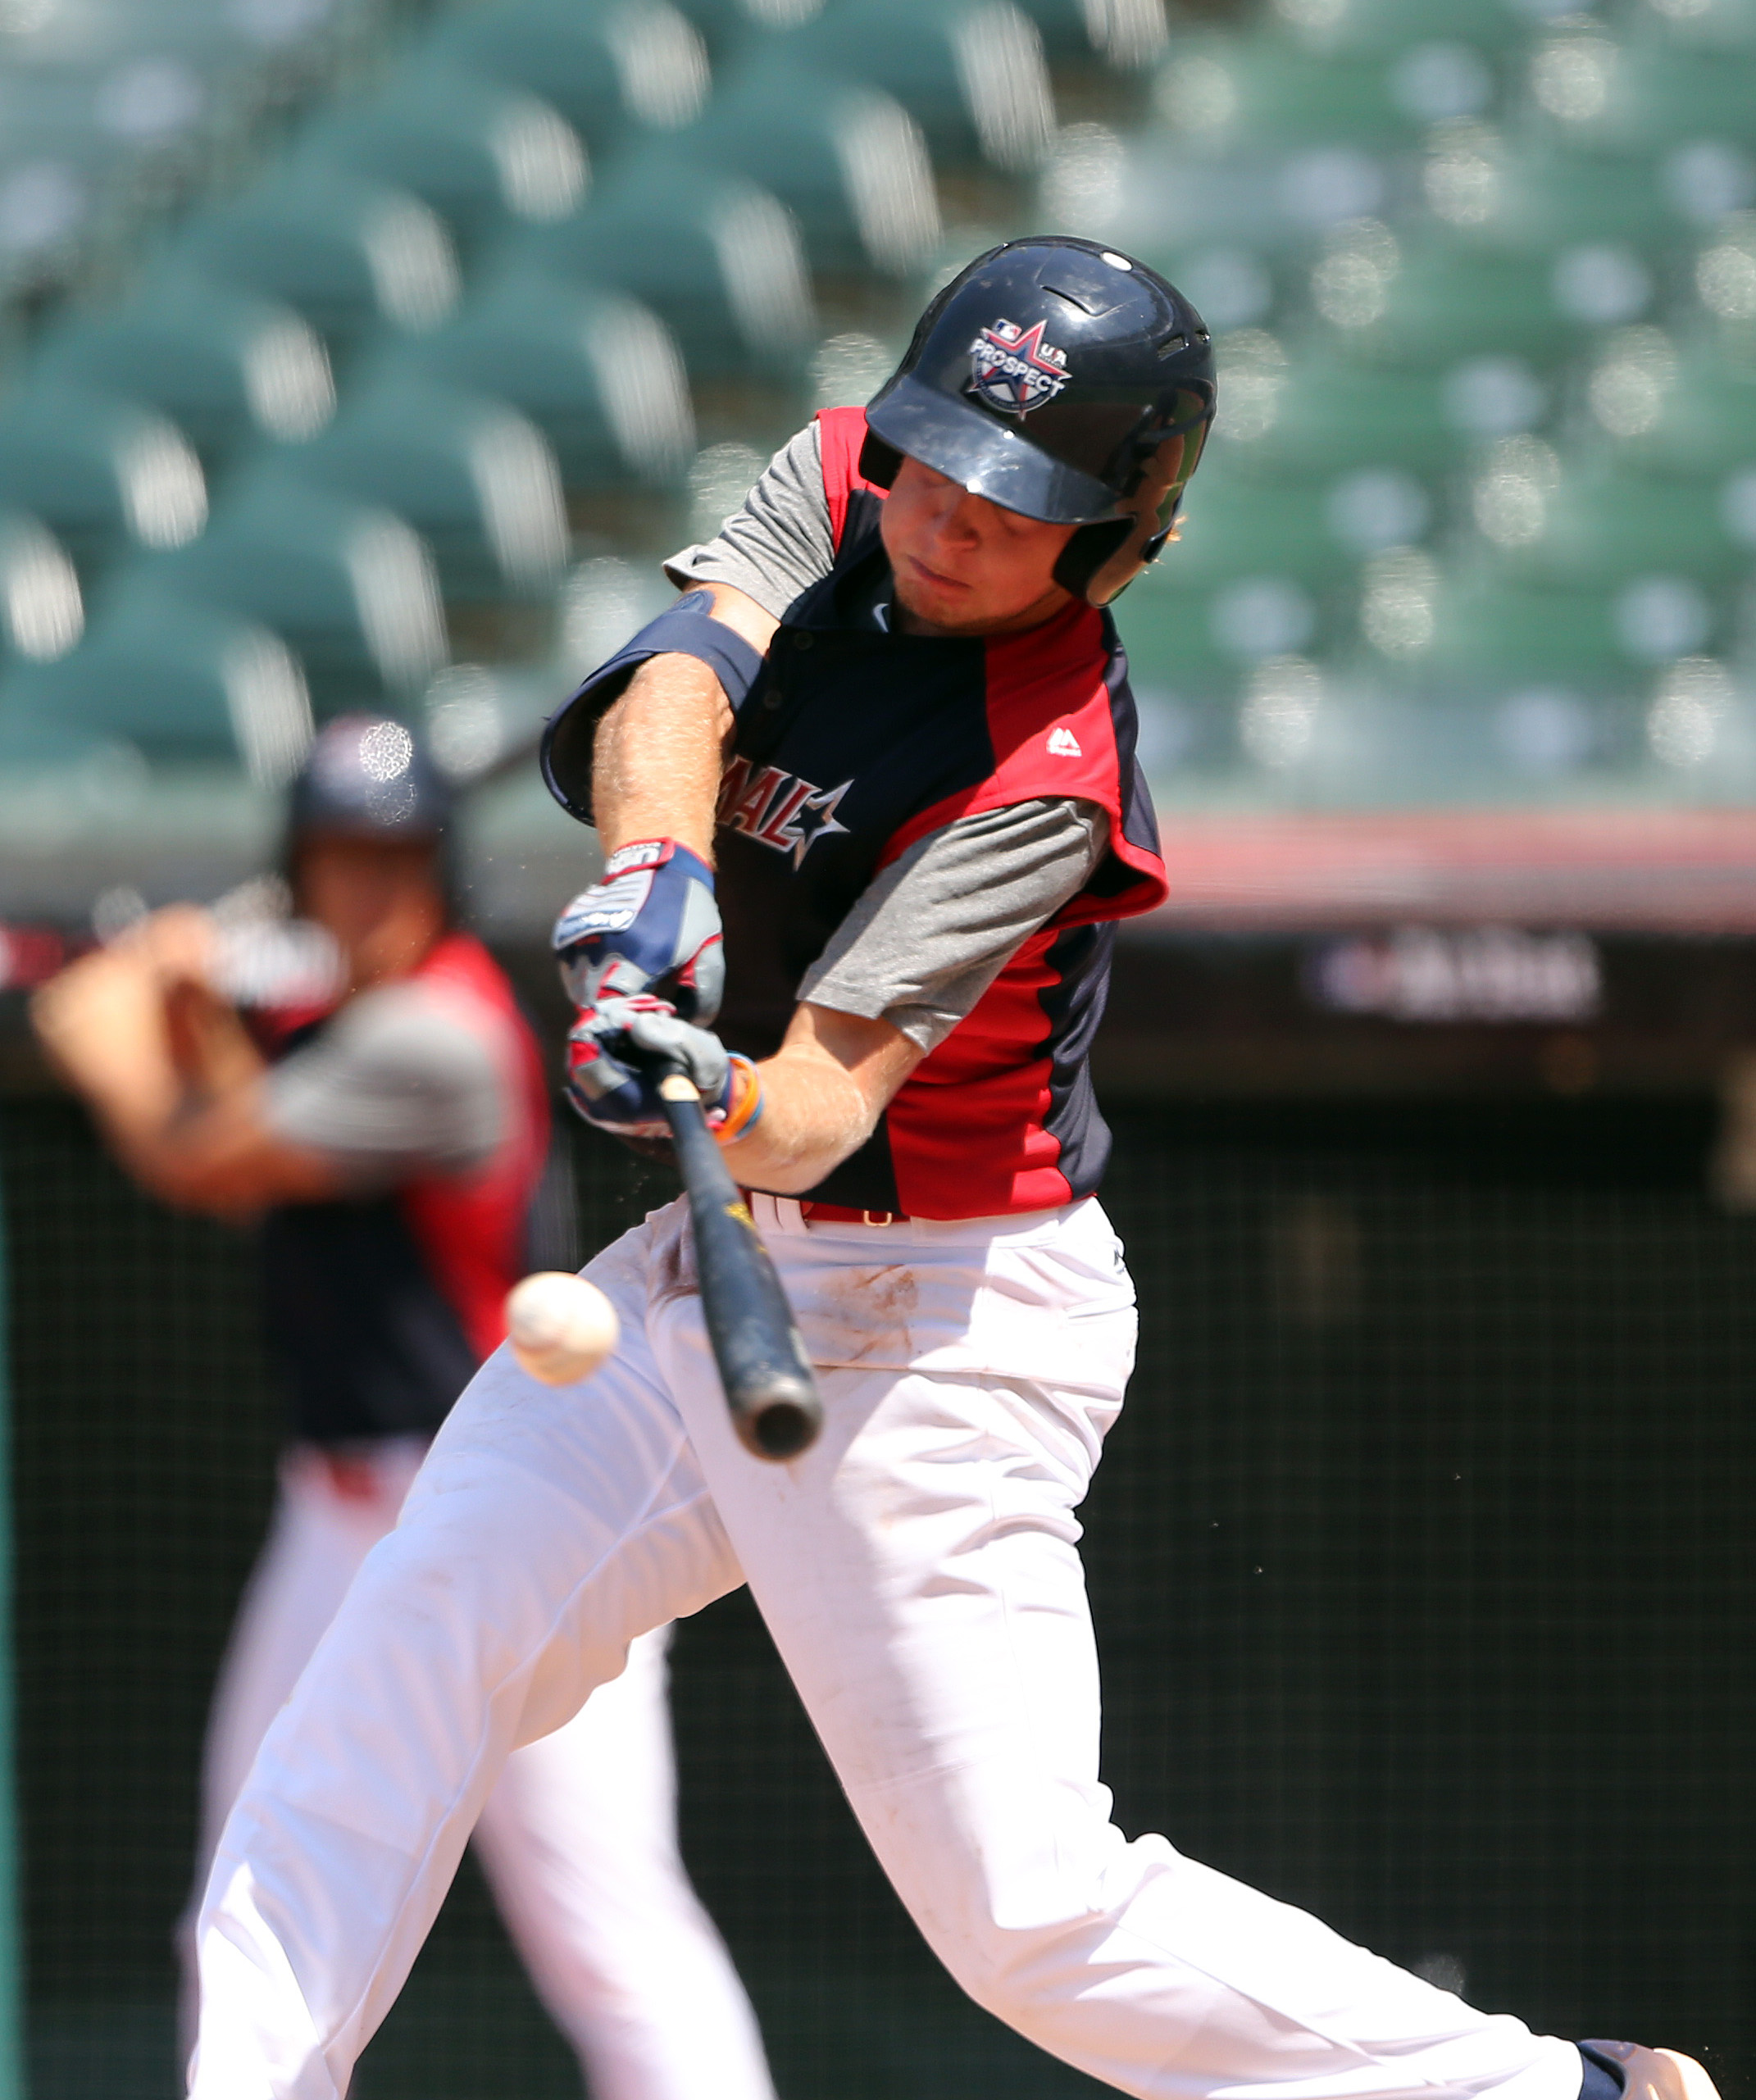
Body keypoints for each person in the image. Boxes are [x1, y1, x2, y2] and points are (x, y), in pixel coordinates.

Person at [175, 239, 1716, 2100]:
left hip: (939, 1327)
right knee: (394, 1669)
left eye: (1019, 503)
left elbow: (821, 1104)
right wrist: (653, 876)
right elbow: (685, 666)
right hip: (715, 1281)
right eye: (938, 464)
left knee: (1027, 1916)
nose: (948, 517)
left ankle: (1555, 2093)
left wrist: (692, 1074)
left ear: (1120, 539)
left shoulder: (1044, 775)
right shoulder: (851, 473)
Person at [29, 714, 776, 2100]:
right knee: (246, 1905)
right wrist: (188, 1003)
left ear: (436, 874)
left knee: (609, 1932)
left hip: (510, 1527)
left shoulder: (435, 1033)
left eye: (388, 861)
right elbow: (256, 1084)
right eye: (331, 860)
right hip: (334, 1523)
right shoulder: (353, 1015)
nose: (360, 892)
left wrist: (116, 1040)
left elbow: (216, 1159)